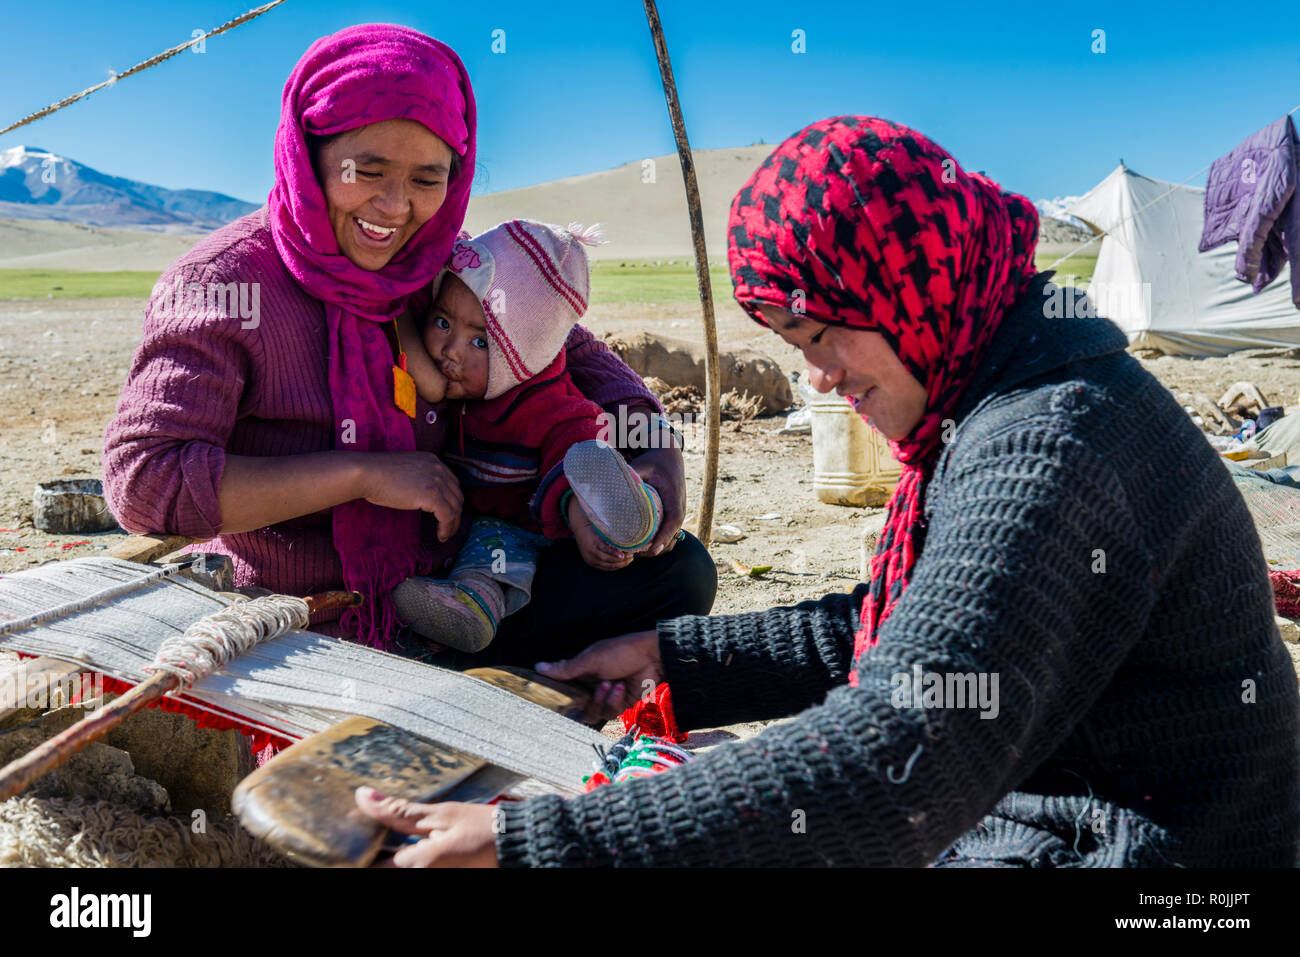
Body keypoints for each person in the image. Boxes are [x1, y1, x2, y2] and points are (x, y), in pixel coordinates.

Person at [354, 116, 1300, 867]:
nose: (815, 380)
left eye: (818, 337)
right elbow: (902, 629)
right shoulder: (1005, 394)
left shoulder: (1051, 446)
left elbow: (899, 755)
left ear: (898, 287)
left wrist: (541, 845)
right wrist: (674, 657)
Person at [101, 24, 715, 657]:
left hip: (455, 579)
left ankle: (470, 668)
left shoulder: (439, 263)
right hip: (296, 618)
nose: (395, 208)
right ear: (308, 155)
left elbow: (566, 346)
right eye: (367, 171)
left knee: (677, 574)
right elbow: (147, 484)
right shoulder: (222, 284)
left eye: (428, 179)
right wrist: (364, 474)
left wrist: (651, 439)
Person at [392, 219, 666, 653]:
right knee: (483, 551)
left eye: (480, 343)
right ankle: (468, 609)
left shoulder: (547, 405)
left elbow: (574, 462)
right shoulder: (467, 389)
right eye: (443, 323)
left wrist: (582, 522)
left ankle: (635, 513)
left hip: (523, 521)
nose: (451, 350)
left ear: (523, 355)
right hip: (477, 517)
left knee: (498, 551)